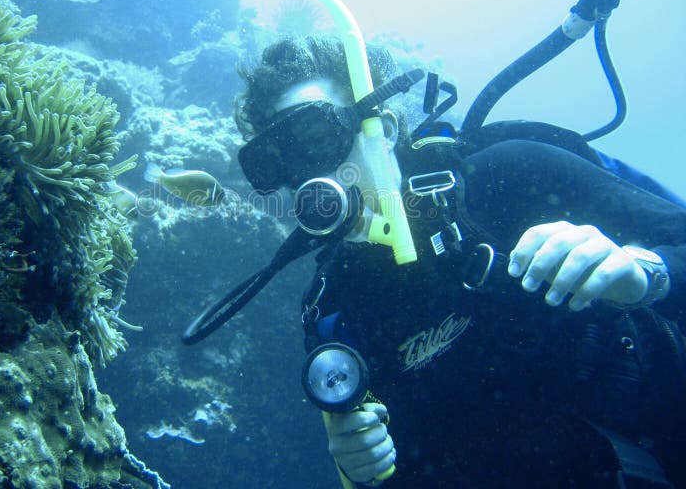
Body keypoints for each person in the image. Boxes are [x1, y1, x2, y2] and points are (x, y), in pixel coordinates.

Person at [233, 35, 686, 488]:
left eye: (317, 138)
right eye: (281, 162)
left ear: (384, 128)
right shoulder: (333, 311)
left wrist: (644, 273)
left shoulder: (511, 177)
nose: (310, 176)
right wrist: (361, 463)